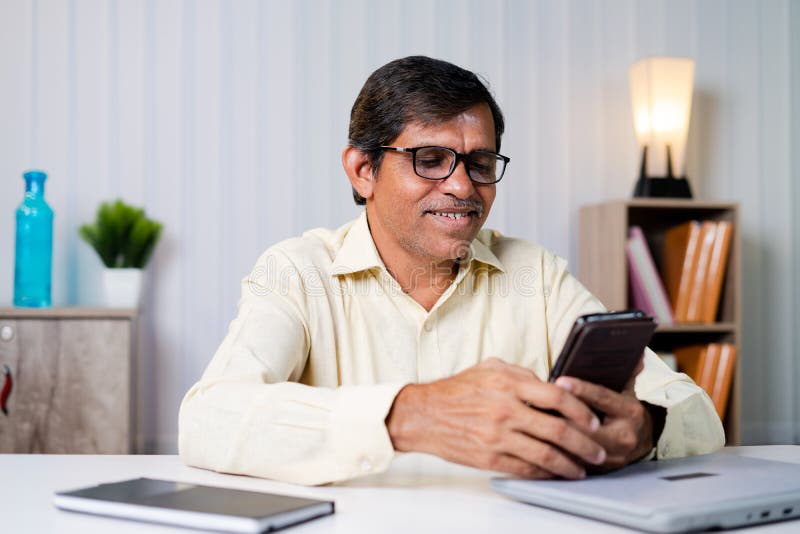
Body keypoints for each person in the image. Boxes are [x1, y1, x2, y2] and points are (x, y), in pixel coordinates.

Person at [178, 56, 724, 486]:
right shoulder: (296, 271)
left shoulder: (537, 273)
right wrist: (411, 416)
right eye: (430, 160)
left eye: (480, 164)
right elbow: (209, 419)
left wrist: (645, 428)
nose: (463, 187)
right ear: (363, 170)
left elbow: (695, 411)